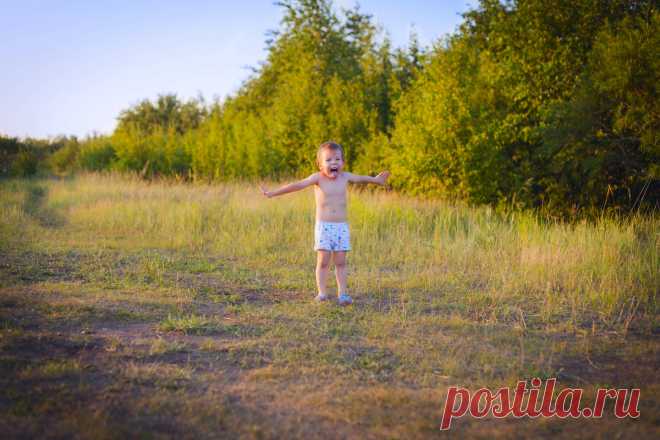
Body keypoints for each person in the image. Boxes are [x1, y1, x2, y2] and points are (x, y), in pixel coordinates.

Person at [260, 141, 390, 305]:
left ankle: (342, 294)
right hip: (324, 227)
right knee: (323, 261)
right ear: (320, 165)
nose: (333, 162)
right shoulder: (318, 178)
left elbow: (361, 178)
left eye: (337, 159)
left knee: (341, 262)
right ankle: (322, 293)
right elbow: (296, 185)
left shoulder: (345, 176)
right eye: (328, 160)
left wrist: (376, 180)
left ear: (342, 163)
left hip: (341, 227)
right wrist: (273, 193)